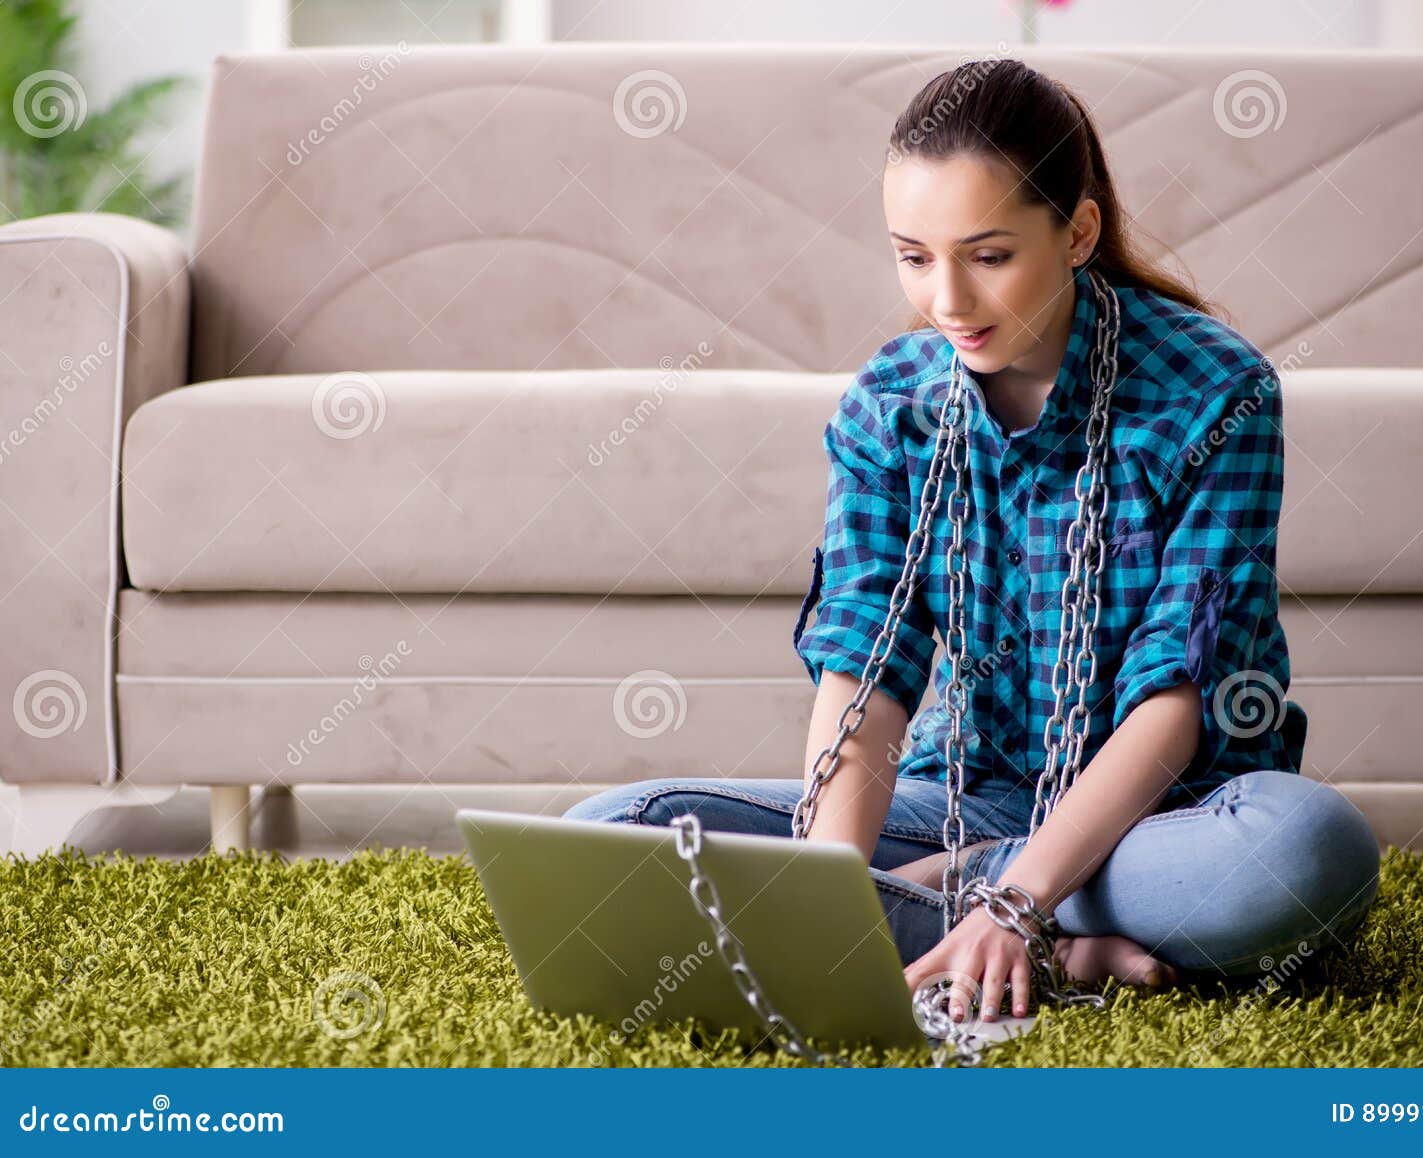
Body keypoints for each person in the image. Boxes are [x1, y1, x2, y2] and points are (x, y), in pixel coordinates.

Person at [564, 59, 1380, 1028]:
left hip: (1173, 818)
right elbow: (866, 667)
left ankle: (976, 904)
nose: (945, 300)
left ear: (1076, 232)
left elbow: (1174, 702)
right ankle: (1061, 951)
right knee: (613, 836)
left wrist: (1011, 889)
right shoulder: (890, 404)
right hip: (964, 792)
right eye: (913, 256)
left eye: (987, 256)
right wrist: (822, 899)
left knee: (1304, 854)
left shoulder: (1216, 392)